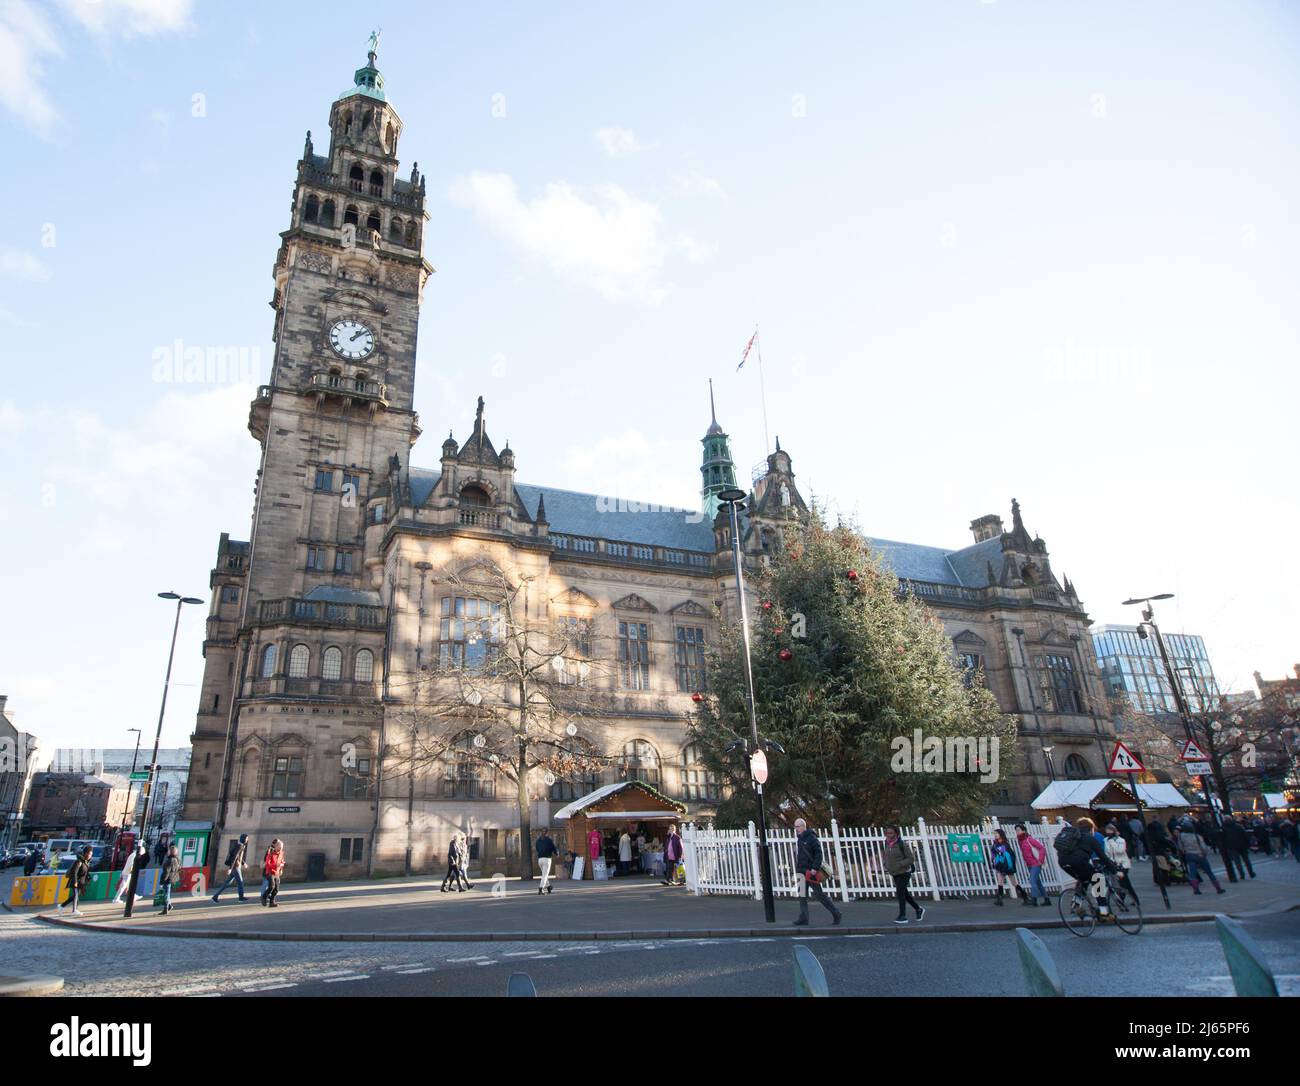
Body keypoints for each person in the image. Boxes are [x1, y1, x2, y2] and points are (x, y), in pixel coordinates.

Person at [1054, 819, 1117, 917]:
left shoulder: (1074, 837)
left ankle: (1076, 905)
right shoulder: (1090, 838)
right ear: (1091, 828)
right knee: (1098, 880)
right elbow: (1103, 857)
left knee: (1083, 879)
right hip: (1078, 862)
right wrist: (1114, 870)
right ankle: (1104, 912)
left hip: (1063, 862)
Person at [882, 825, 924, 924]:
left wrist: (900, 864)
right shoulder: (887, 844)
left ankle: (902, 915)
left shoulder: (902, 844)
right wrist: (886, 864)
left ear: (896, 833)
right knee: (904, 893)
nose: (889, 835)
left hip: (904, 872)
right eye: (887, 833)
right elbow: (886, 856)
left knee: (900, 893)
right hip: (894, 872)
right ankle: (918, 909)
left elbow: (911, 858)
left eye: (891, 833)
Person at [1176, 817, 1225, 896]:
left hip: (1189, 854)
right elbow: (1203, 847)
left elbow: (1180, 846)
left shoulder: (1181, 836)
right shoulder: (1197, 836)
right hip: (1199, 854)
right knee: (1209, 872)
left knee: (1192, 873)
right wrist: (1204, 853)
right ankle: (1218, 888)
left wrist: (1184, 852)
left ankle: (1196, 889)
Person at [1014, 823, 1050, 906]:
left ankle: (1034, 900)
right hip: (1029, 864)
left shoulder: (1029, 839)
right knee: (1038, 882)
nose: (1017, 832)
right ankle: (1047, 899)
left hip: (1036, 864)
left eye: (1018, 830)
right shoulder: (1021, 841)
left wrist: (1040, 860)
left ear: (1024, 830)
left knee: (1032, 880)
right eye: (1016, 830)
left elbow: (1042, 848)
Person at [1103, 821, 1139, 904]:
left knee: (1125, 883)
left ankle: (1133, 900)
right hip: (1113, 864)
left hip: (1123, 864)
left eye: (1110, 830)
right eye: (1107, 830)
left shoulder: (1120, 840)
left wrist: (1112, 842)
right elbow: (1106, 852)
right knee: (1121, 883)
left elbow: (1120, 851)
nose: (1108, 832)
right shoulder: (1105, 840)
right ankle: (1123, 900)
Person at [989, 827, 1026, 906]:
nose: (995, 835)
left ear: (1001, 834)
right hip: (999, 865)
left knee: (1014, 883)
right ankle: (1000, 899)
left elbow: (1003, 852)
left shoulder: (1004, 844)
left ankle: (1025, 897)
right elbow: (994, 854)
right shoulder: (996, 844)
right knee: (1000, 882)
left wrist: (996, 851)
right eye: (994, 834)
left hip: (1006, 865)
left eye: (996, 833)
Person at [212, 834, 250, 903]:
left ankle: (215, 896)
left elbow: (238, 857)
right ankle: (241, 898)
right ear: (243, 839)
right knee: (240, 882)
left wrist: (244, 863)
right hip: (235, 867)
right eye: (246, 838)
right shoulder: (240, 846)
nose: (247, 840)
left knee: (228, 883)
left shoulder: (239, 845)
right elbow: (234, 857)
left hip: (235, 866)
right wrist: (230, 868)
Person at [57, 846, 93, 916]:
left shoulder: (86, 862)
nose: (90, 856)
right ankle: (74, 910)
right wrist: (75, 882)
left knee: (75, 896)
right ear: (85, 853)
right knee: (76, 895)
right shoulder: (79, 861)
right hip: (75, 882)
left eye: (91, 854)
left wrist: (88, 877)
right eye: (89, 854)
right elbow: (75, 872)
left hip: (80, 883)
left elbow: (85, 872)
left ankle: (61, 906)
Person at [1221, 816, 1255, 882]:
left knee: (1237, 862)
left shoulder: (1224, 828)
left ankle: (1242, 874)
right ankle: (1251, 873)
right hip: (1242, 845)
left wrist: (1226, 847)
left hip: (1232, 847)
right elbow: (1245, 836)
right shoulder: (1238, 826)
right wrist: (1248, 844)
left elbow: (1223, 839)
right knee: (1246, 860)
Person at [260, 839, 285, 906]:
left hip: (277, 872)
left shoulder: (281, 854)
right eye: (279, 848)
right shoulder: (270, 853)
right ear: (276, 847)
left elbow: (282, 862)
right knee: (272, 886)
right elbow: (267, 864)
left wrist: (281, 868)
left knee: (276, 889)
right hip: (270, 872)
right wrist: (275, 865)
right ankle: (264, 897)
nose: (280, 849)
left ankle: (272, 902)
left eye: (281, 848)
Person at [159, 844, 181, 915]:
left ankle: (166, 909)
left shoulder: (169, 860)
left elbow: (166, 872)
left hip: (168, 879)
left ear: (170, 852)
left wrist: (162, 882)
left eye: (169, 851)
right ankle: (169, 906)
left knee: (166, 894)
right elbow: (179, 869)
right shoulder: (178, 860)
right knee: (167, 893)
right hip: (173, 878)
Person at [536, 829, 558, 895]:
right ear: (547, 833)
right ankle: (541, 889)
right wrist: (556, 854)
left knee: (544, 874)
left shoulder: (538, 840)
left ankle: (548, 887)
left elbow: (537, 848)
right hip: (547, 859)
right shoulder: (549, 840)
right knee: (545, 875)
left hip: (540, 859)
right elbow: (553, 848)